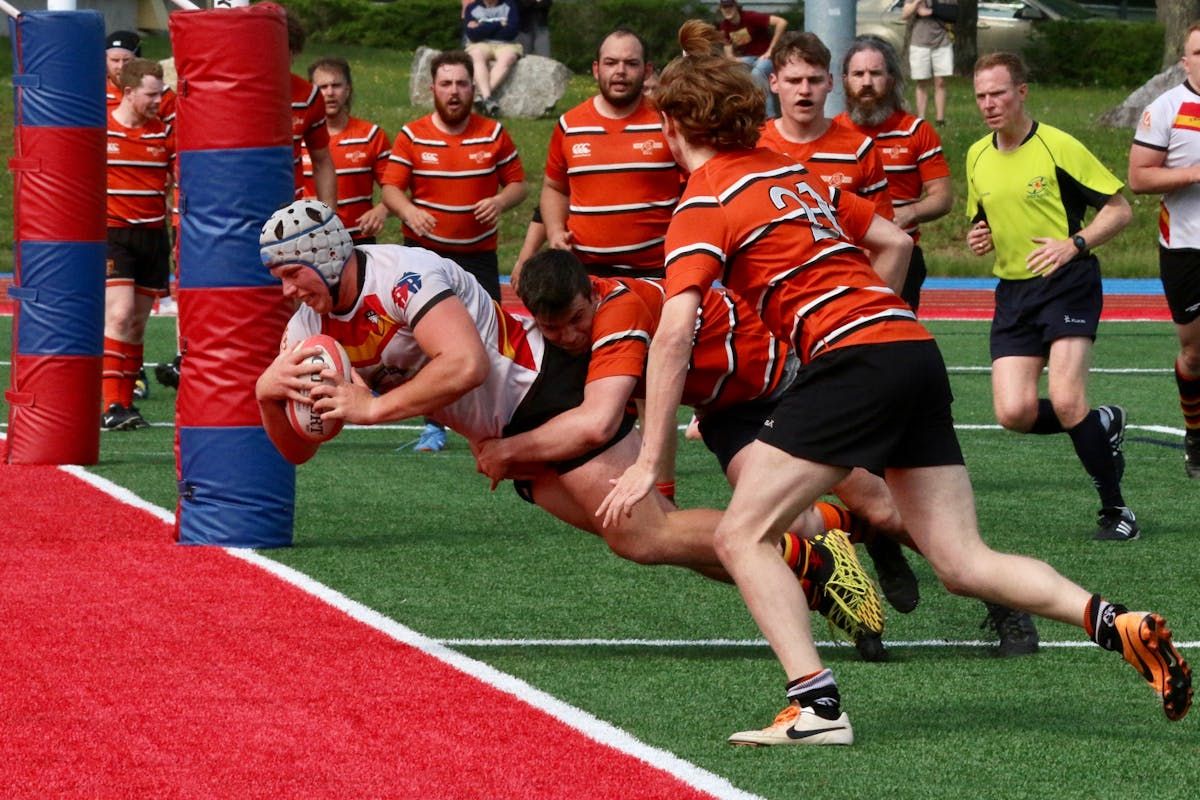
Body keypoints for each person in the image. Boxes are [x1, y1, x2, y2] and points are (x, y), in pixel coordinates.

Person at [599, 20, 1191, 746]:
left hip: (861, 363)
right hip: (912, 348)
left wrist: (653, 463)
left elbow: (673, 333)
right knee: (963, 561)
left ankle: (815, 708)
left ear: (672, 125)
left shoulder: (702, 202)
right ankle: (1116, 620)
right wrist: (856, 327)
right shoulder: (796, 175)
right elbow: (895, 241)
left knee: (740, 533)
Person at [254, 200, 883, 645]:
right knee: (648, 539)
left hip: (541, 390)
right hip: (501, 429)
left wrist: (373, 407)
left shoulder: (401, 274)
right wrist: (267, 394)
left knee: (643, 536)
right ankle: (811, 557)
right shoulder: (309, 329)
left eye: (291, 273)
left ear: (328, 256)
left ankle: (824, 546)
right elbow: (299, 450)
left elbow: (467, 364)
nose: (285, 291)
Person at [484, 248, 909, 658]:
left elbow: (599, 421)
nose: (569, 336)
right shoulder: (589, 320)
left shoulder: (619, 312)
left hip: (786, 383)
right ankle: (853, 539)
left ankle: (962, 575)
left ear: (592, 291)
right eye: (552, 329)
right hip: (727, 410)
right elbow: (651, 399)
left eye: (576, 319)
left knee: (882, 508)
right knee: (778, 520)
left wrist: (506, 451)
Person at [967, 52, 1136, 541]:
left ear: (1022, 92)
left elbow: (1120, 210)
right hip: (1013, 291)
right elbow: (985, 218)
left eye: (998, 93)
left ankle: (1116, 509)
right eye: (980, 96)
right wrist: (981, 236)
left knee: (1065, 399)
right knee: (1013, 413)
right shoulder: (977, 154)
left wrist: (1075, 243)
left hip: (1068, 281)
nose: (988, 104)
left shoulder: (1058, 146)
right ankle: (1101, 424)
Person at [381, 49, 527, 452]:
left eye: (462, 83)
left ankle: (503, 422)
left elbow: (519, 184)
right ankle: (435, 426)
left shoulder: (494, 134)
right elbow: (391, 188)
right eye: (446, 84)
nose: (454, 91)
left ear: (472, 88)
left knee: (494, 339)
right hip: (425, 258)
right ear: (433, 89)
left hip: (478, 256)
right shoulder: (412, 135)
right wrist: (409, 209)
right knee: (428, 344)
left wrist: (499, 202)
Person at [537, 27, 683, 282]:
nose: (620, 72)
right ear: (596, 69)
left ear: (647, 71)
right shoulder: (570, 125)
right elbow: (554, 188)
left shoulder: (669, 122)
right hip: (585, 274)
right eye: (611, 63)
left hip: (656, 274)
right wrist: (555, 231)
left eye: (631, 63)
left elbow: (698, 185)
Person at [1127, 23, 1200, 478]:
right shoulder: (1166, 108)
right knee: (1195, 355)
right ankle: (1196, 433)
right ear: (1185, 60)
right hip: (1186, 248)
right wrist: (1194, 173)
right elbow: (1139, 178)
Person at [837, 35, 952, 312]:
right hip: (842, 257)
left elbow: (943, 198)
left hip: (902, 255)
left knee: (892, 340)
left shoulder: (916, 131)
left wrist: (908, 213)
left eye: (875, 73)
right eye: (858, 74)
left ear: (891, 79)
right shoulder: (832, 133)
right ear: (844, 80)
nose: (866, 82)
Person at [102, 58, 175, 431]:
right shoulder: (102, 131)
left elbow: (180, 182)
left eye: (160, 94)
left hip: (153, 237)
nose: (157, 101)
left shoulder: (164, 133)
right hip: (113, 236)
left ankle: (126, 405)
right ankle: (111, 403)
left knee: (136, 326)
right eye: (150, 95)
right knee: (118, 315)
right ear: (128, 92)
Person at [758, 32, 893, 222]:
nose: (804, 90)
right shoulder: (752, 146)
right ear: (774, 83)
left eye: (814, 80)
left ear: (830, 82)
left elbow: (885, 234)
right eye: (794, 80)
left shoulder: (860, 149)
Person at [303, 57, 392, 244]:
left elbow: (395, 187)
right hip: (309, 238)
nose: (330, 93)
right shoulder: (298, 138)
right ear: (311, 92)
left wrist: (381, 210)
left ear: (348, 89)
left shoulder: (371, 135)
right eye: (323, 87)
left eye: (336, 86)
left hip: (358, 239)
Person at [285, 8, 336, 207]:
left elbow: (322, 160)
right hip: (232, 217)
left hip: (285, 213)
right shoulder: (228, 92)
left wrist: (329, 219)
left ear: (293, 51)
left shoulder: (306, 95)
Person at [716, 0, 787, 119]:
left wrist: (771, 50)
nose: (727, 10)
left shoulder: (750, 17)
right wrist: (734, 61)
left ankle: (769, 117)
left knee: (757, 73)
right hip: (748, 59)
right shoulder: (725, 26)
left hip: (766, 57)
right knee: (728, 74)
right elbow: (728, 54)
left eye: (730, 6)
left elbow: (782, 22)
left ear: (736, 7)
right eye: (724, 7)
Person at [463, 0, 522, 117]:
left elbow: (511, 32)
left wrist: (482, 27)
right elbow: (473, 35)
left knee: (508, 58)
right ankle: (487, 98)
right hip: (480, 44)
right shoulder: (472, 8)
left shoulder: (510, 5)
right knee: (476, 55)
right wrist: (500, 24)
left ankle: (483, 97)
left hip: (506, 44)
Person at [902, 0, 952, 125]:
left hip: (942, 42)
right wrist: (917, 3)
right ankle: (921, 119)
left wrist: (932, 10)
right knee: (921, 81)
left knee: (940, 82)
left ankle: (940, 119)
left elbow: (953, 14)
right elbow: (904, 15)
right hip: (919, 42)